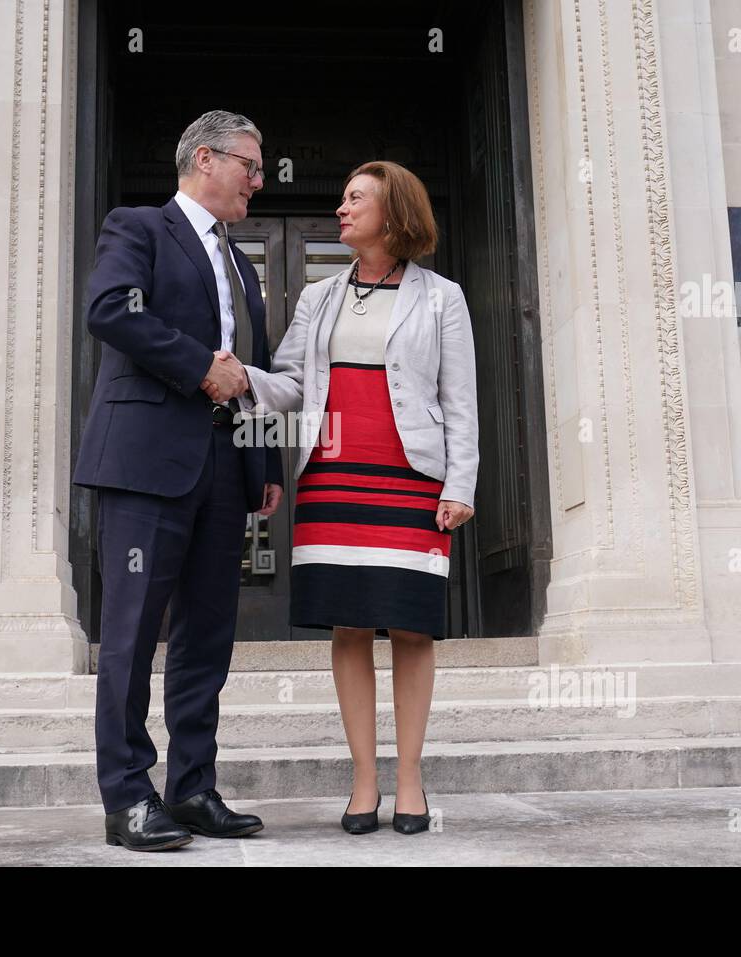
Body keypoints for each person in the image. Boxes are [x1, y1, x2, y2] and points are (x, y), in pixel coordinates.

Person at [218, 160, 478, 835]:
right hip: (333, 475)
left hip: (412, 475)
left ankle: (411, 779)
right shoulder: (319, 297)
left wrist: (460, 485)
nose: (342, 208)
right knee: (349, 624)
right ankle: (365, 779)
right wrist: (236, 375)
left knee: (414, 626)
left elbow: (461, 401)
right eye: (342, 199)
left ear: (394, 212)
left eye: (356, 198)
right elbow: (290, 383)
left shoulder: (442, 297)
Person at [72, 110, 284, 851]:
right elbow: (109, 311)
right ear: (204, 158)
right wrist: (198, 364)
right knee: (131, 635)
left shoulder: (242, 262)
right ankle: (127, 797)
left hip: (223, 473)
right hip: (143, 463)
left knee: (207, 636)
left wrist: (265, 461)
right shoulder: (137, 228)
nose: (259, 182)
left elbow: (251, 369)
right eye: (250, 167)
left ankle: (192, 787)